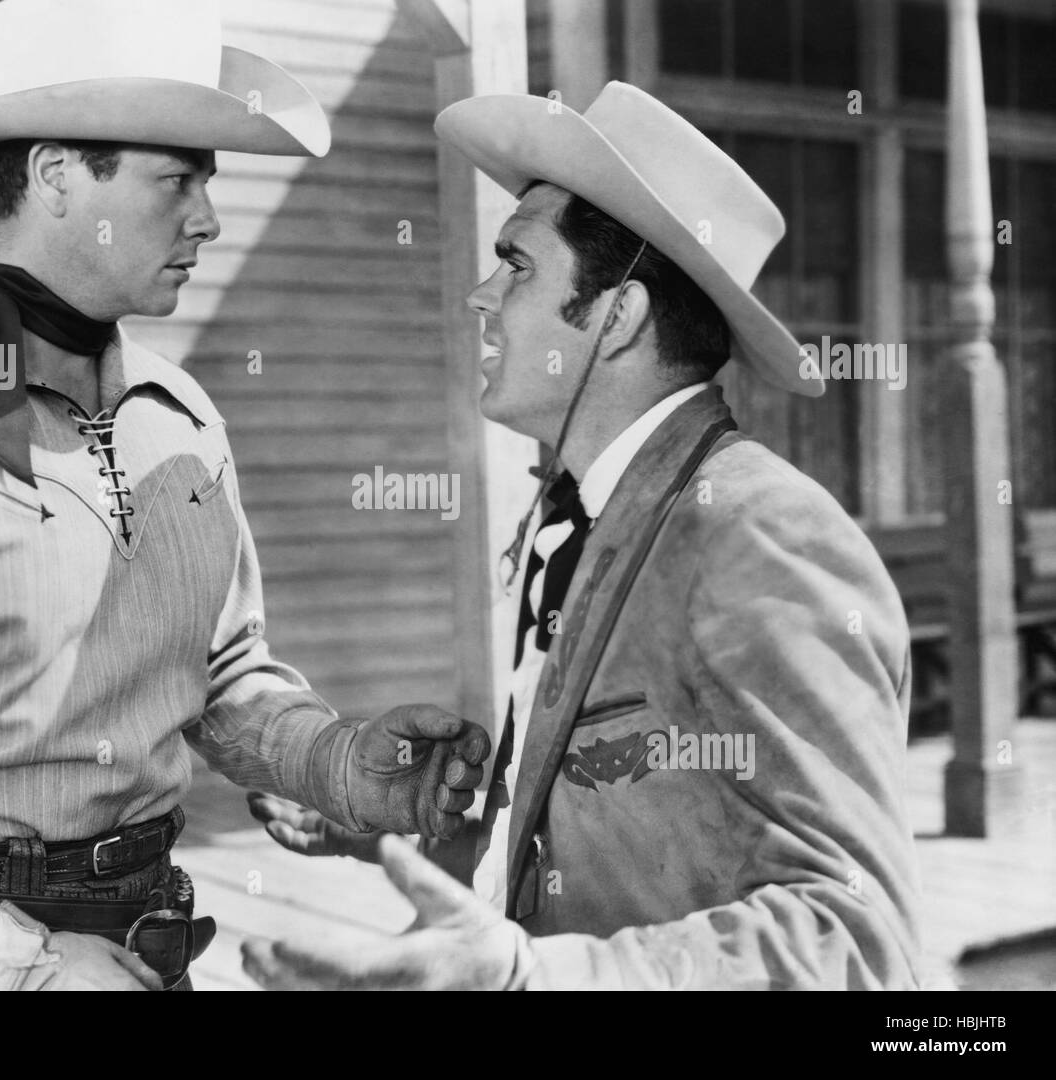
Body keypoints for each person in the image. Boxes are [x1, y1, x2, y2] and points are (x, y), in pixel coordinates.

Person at [0, 0, 487, 992]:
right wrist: (15, 967)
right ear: (58, 176)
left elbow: (223, 681)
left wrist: (338, 761)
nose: (209, 218)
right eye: (176, 180)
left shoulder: (179, 418)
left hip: (146, 950)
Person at [244, 82, 923, 990]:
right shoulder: (584, 510)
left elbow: (854, 939)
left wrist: (526, 977)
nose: (480, 297)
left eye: (516, 265)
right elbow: (615, 849)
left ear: (618, 317)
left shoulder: (763, 536)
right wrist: (408, 825)